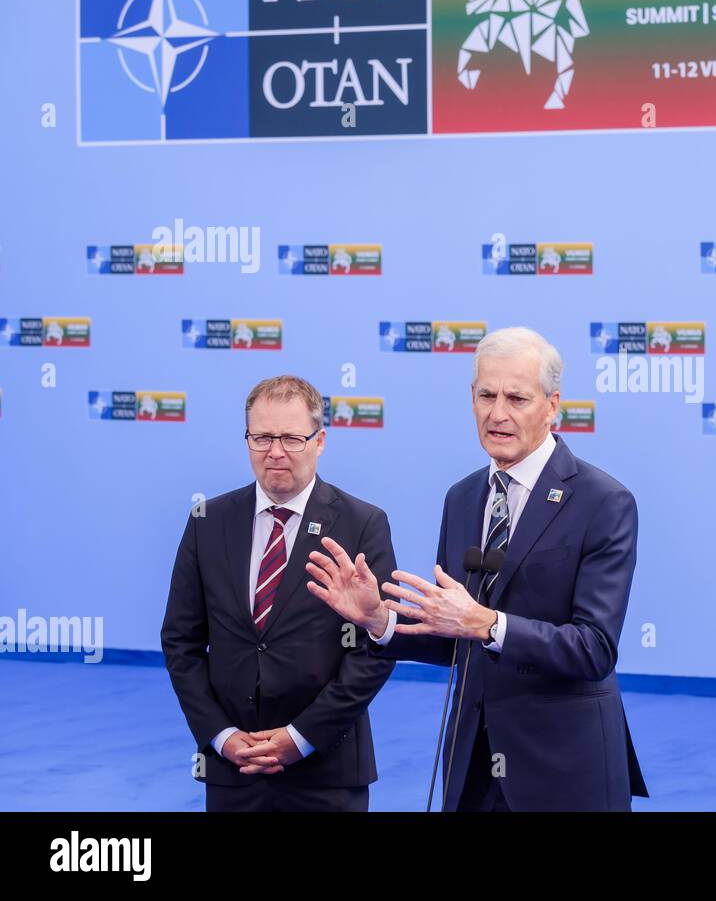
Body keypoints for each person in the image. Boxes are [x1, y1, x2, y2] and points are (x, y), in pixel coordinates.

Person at [307, 327, 647, 810]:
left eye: (517, 398)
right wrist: (379, 620)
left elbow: (593, 649)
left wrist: (488, 624)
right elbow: (456, 639)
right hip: (473, 765)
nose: (498, 413)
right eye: (486, 395)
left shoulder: (603, 502)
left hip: (564, 768)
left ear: (552, 406)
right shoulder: (463, 498)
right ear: (471, 398)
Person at [161, 375, 398, 811]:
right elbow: (181, 641)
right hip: (233, 771)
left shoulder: (362, 524)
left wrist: (301, 737)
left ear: (320, 440)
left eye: (291, 438)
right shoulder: (207, 521)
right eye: (262, 437)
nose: (274, 452)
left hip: (327, 772)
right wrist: (220, 735)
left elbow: (374, 650)